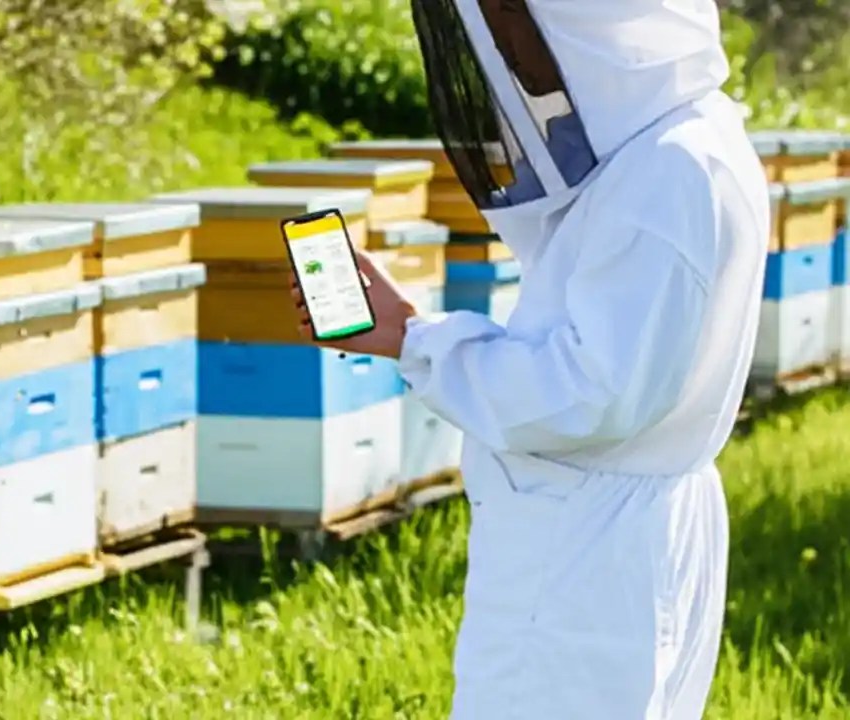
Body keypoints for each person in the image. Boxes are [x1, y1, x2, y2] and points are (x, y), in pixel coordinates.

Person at [290, 1, 770, 718]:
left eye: (512, 14)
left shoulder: (666, 174)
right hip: (609, 545)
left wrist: (415, 340)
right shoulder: (688, 142)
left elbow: (588, 393)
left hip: (580, 567)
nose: (505, 44)